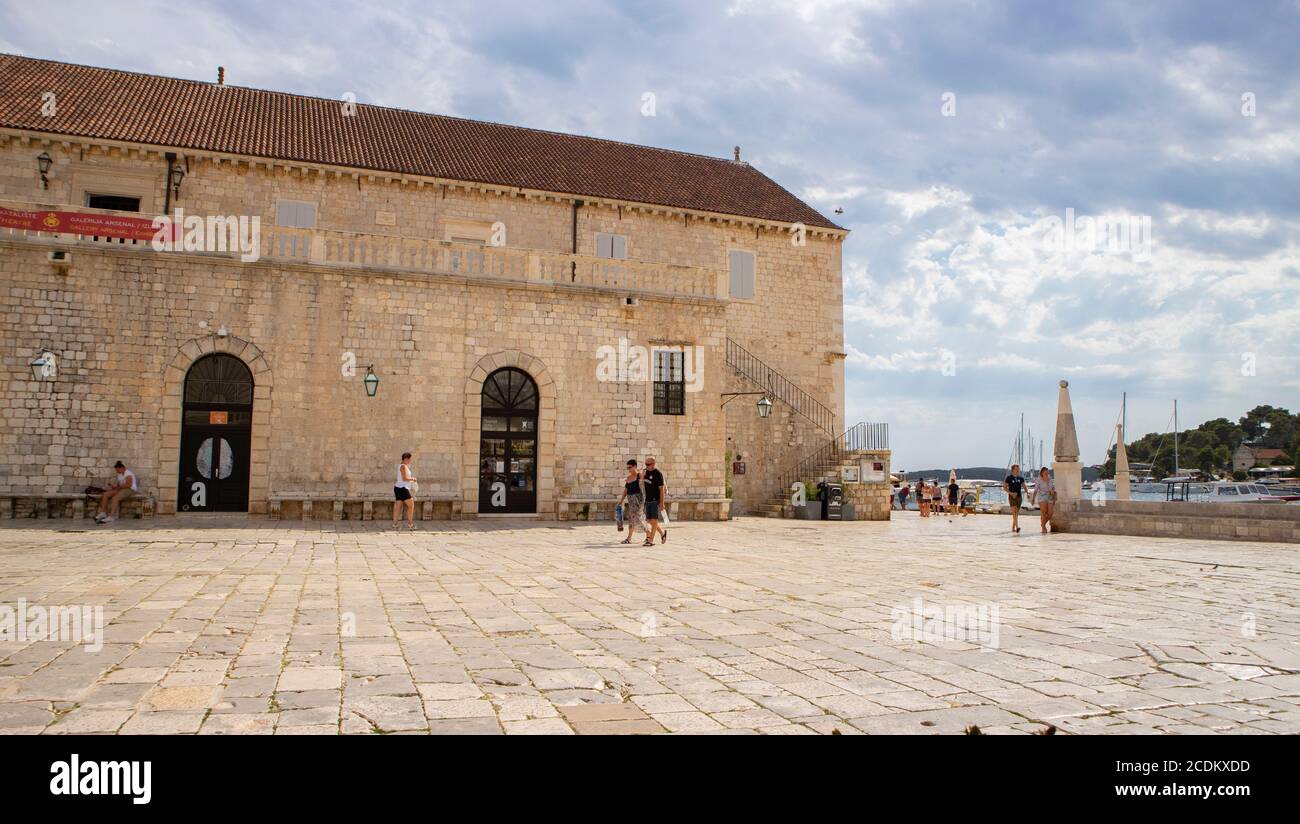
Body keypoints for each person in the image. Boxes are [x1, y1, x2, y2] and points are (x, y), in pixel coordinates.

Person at [616, 459, 646, 544]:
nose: (628, 469)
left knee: (638, 518)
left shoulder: (639, 476)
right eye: (627, 467)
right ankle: (629, 538)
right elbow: (626, 490)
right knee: (632, 519)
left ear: (635, 466)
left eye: (630, 467)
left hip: (638, 501)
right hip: (631, 501)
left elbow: (644, 486)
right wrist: (621, 500)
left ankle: (650, 534)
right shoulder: (629, 478)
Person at [642, 456, 667, 546]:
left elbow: (661, 489)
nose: (646, 466)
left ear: (653, 464)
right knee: (649, 521)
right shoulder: (645, 472)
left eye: (648, 464)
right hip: (647, 500)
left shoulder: (658, 474)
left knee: (654, 520)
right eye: (645, 464)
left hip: (655, 500)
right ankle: (662, 533)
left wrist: (662, 503)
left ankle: (650, 540)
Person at [393, 452, 416, 530]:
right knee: (411, 505)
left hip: (398, 488)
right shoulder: (403, 466)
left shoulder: (402, 466)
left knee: (398, 507)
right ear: (406, 459)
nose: (410, 461)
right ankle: (410, 524)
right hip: (403, 488)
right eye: (409, 459)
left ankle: (395, 524)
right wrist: (412, 479)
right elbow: (404, 478)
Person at [1031, 466, 1055, 533]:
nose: (1047, 474)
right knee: (1043, 512)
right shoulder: (1038, 480)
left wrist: (1052, 491)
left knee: (1050, 513)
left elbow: (1051, 489)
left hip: (1049, 495)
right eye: (1045, 473)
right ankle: (1043, 527)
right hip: (1041, 496)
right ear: (1041, 473)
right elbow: (1035, 490)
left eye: (1048, 473)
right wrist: (1033, 499)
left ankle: (1043, 524)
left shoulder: (1049, 479)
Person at [1004, 463, 1026, 533]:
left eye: (1018, 469)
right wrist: (1011, 493)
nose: (1018, 470)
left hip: (1019, 496)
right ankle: (1017, 527)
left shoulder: (1021, 478)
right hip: (1012, 497)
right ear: (1013, 470)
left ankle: (1013, 527)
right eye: (1016, 469)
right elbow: (1004, 487)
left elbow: (1024, 487)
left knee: (1016, 513)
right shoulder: (1009, 478)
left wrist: (1027, 492)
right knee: (1014, 512)